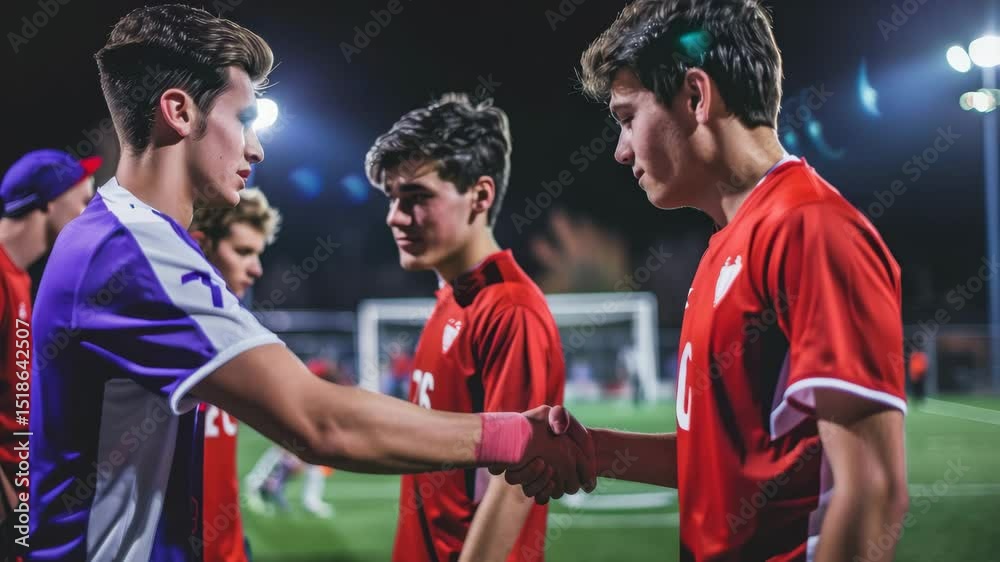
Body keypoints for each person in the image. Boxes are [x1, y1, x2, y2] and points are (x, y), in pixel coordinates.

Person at [27, 5, 593, 561]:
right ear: (178, 112)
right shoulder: (132, 251)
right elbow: (320, 422)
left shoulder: (118, 239)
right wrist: (518, 437)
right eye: (243, 120)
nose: (256, 147)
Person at [508, 2, 909, 561]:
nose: (621, 151)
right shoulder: (729, 240)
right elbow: (723, 460)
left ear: (696, 97)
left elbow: (873, 489)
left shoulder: (811, 228)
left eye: (627, 118)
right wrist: (592, 449)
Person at [366, 93, 568, 562]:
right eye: (393, 197)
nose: (395, 216)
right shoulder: (453, 296)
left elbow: (515, 481)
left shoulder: (510, 310)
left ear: (480, 195)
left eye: (416, 197)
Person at [0, 149, 98, 550]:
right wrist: (11, 520)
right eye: (84, 202)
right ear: (49, 201)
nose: (90, 215)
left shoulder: (19, 278)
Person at [188, 187, 281, 559]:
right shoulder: (170, 330)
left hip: (227, 546)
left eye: (258, 254)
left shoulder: (231, 331)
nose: (256, 268)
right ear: (200, 245)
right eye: (243, 252)